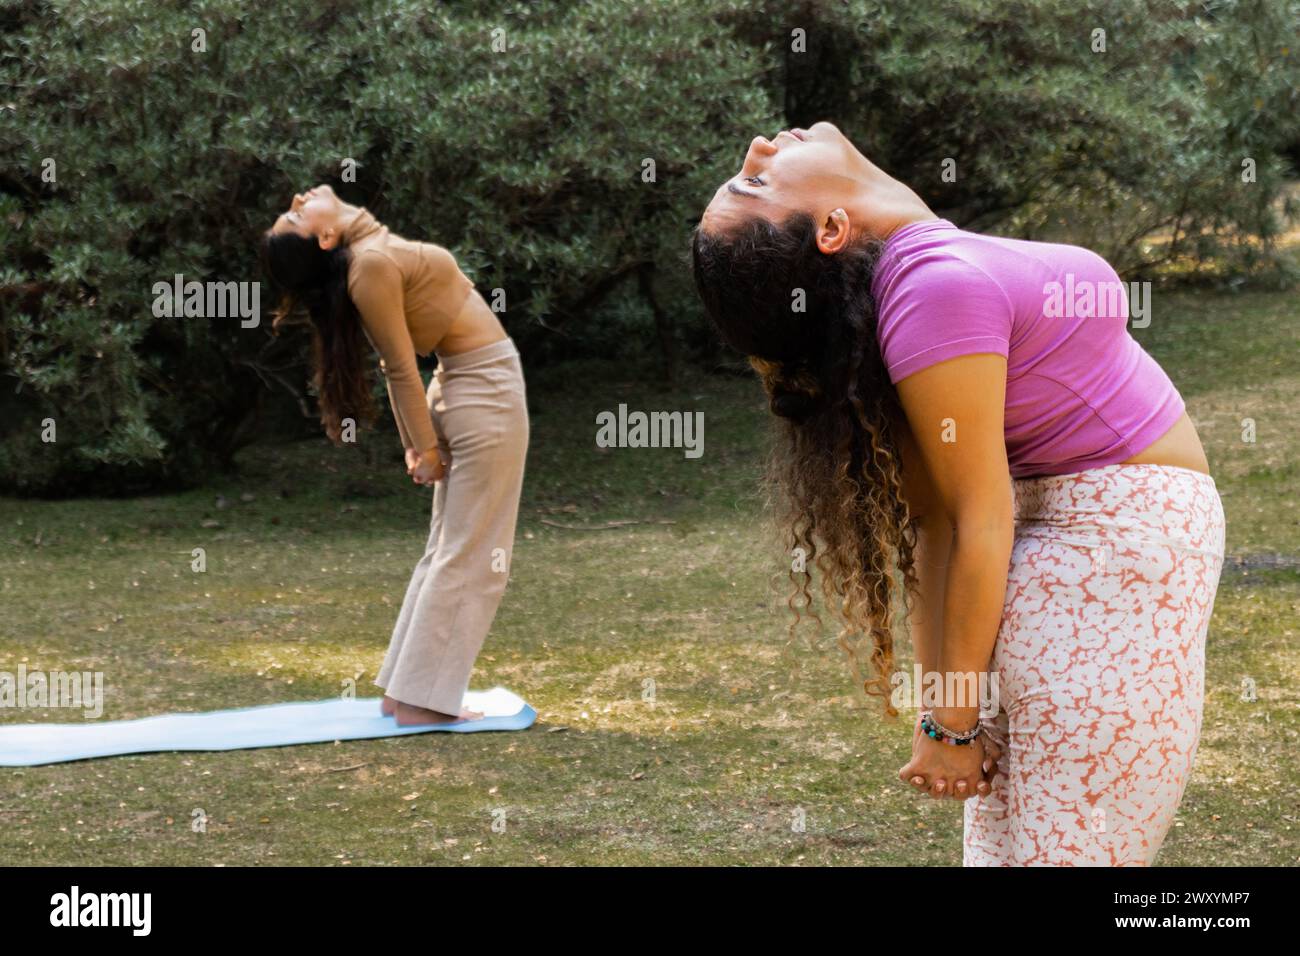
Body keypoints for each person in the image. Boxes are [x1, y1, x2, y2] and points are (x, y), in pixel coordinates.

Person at [690, 122, 1225, 865]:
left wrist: (944, 715)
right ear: (833, 228)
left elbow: (939, 524)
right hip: (1105, 579)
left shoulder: (918, 279)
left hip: (1090, 580)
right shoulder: (934, 288)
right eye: (753, 183)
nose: (754, 147)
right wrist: (949, 724)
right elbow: (969, 520)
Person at [261, 184, 529, 726]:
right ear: (327, 236)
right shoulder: (374, 263)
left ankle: (406, 692)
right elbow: (399, 367)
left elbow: (399, 364)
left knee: (449, 550)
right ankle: (425, 702)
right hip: (484, 390)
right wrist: (422, 448)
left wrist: (421, 441)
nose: (298, 196)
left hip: (469, 386)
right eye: (296, 213)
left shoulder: (369, 255)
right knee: (471, 557)